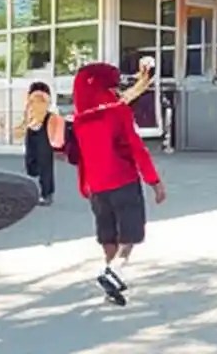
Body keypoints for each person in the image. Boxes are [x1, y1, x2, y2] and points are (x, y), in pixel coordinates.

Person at [71, 61, 167, 307]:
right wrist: (154, 181)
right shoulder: (118, 112)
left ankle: (110, 279)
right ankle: (115, 271)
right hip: (123, 181)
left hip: (97, 187)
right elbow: (138, 149)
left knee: (108, 234)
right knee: (129, 234)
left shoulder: (80, 120)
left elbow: (81, 156)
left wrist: (85, 185)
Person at [23, 81, 57, 205]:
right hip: (32, 127)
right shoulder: (30, 103)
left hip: (45, 127)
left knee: (45, 163)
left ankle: (47, 193)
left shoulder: (44, 103)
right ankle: (37, 173)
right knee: (30, 161)